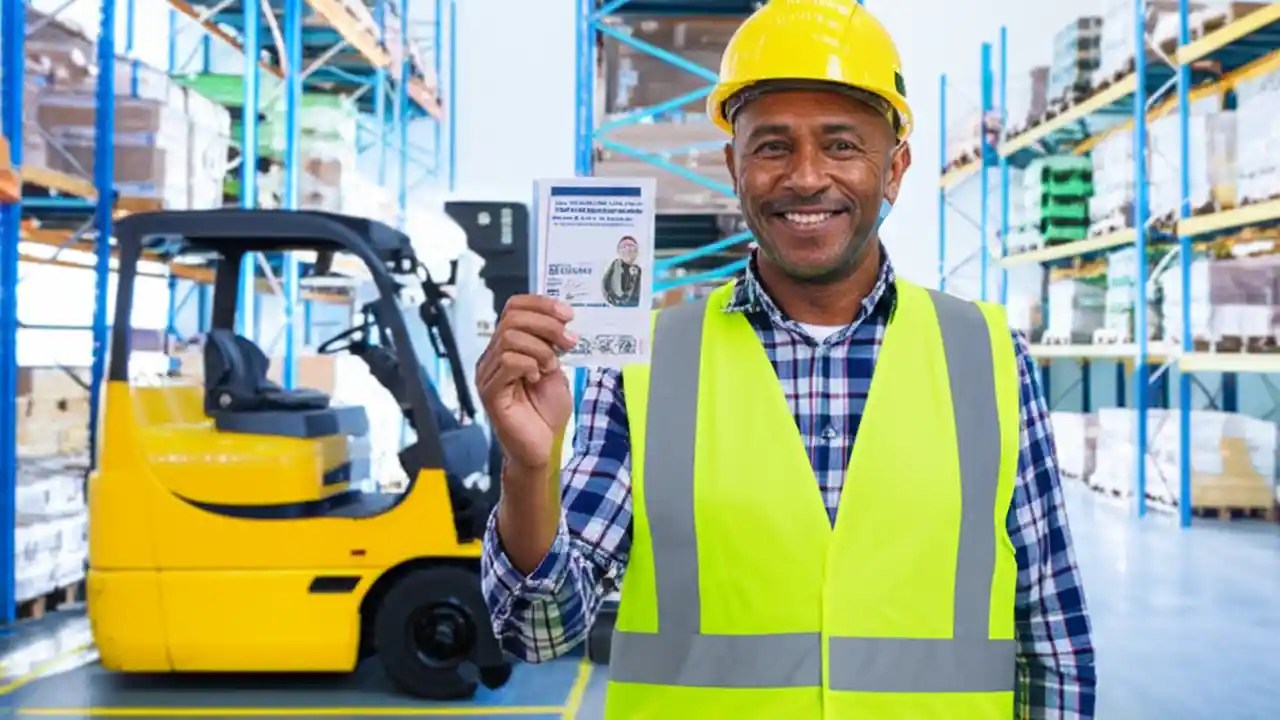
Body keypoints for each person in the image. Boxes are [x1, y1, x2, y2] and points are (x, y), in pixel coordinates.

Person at [475, 1, 1096, 718]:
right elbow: (539, 631)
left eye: (840, 145)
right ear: (732, 165)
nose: (805, 177)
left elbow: (1051, 639)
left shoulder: (986, 357)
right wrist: (529, 470)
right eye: (772, 147)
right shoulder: (648, 368)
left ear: (893, 169)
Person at [602, 236, 643, 307]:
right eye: (624, 246)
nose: (628, 249)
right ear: (619, 251)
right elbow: (620, 296)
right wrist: (633, 278)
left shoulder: (637, 269)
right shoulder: (617, 267)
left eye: (631, 246)